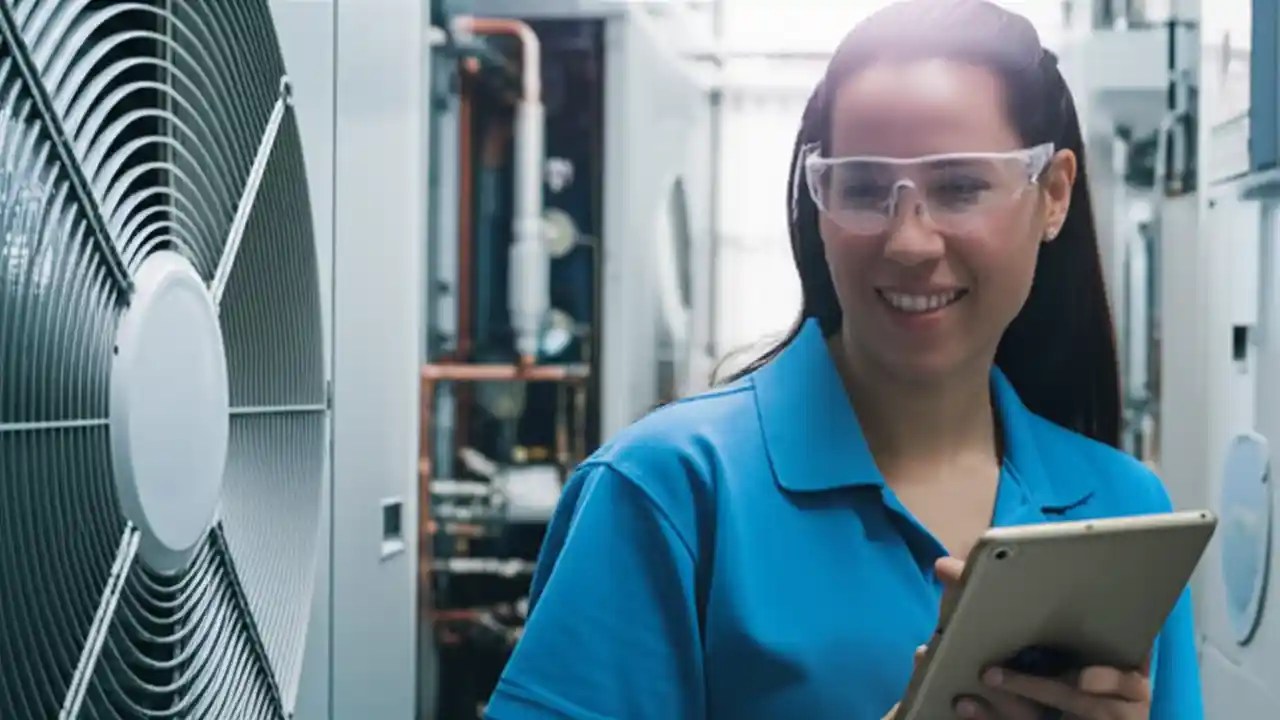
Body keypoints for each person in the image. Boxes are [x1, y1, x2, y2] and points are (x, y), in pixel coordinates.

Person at [483, 1, 1205, 718]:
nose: (909, 243)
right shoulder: (671, 490)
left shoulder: (1121, 510)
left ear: (1052, 195)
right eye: (862, 189)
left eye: (959, 187)